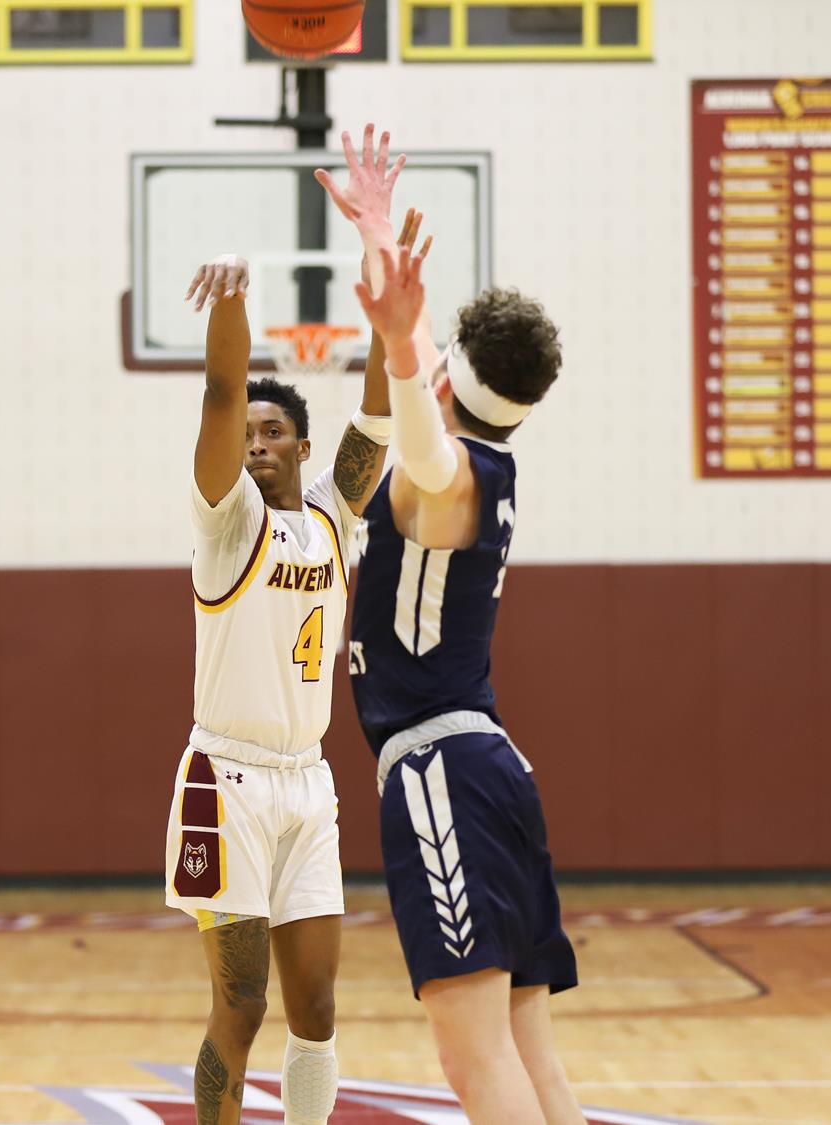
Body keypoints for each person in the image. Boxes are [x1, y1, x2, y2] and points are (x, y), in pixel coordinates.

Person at [163, 129, 422, 1125]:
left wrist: (373, 239)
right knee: (240, 1003)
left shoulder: (332, 514)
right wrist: (232, 298)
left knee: (313, 1008)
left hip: (306, 782)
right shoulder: (223, 520)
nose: (258, 443)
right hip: (222, 779)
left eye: (276, 433)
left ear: (303, 449)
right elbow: (223, 390)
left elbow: (381, 400)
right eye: (250, 436)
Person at [318, 130, 577, 1124]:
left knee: (476, 1065)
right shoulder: (486, 461)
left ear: (446, 378)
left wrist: (396, 336)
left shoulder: (453, 478)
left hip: (440, 774)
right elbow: (420, 412)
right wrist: (380, 240)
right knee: (529, 1059)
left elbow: (424, 460)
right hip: (489, 768)